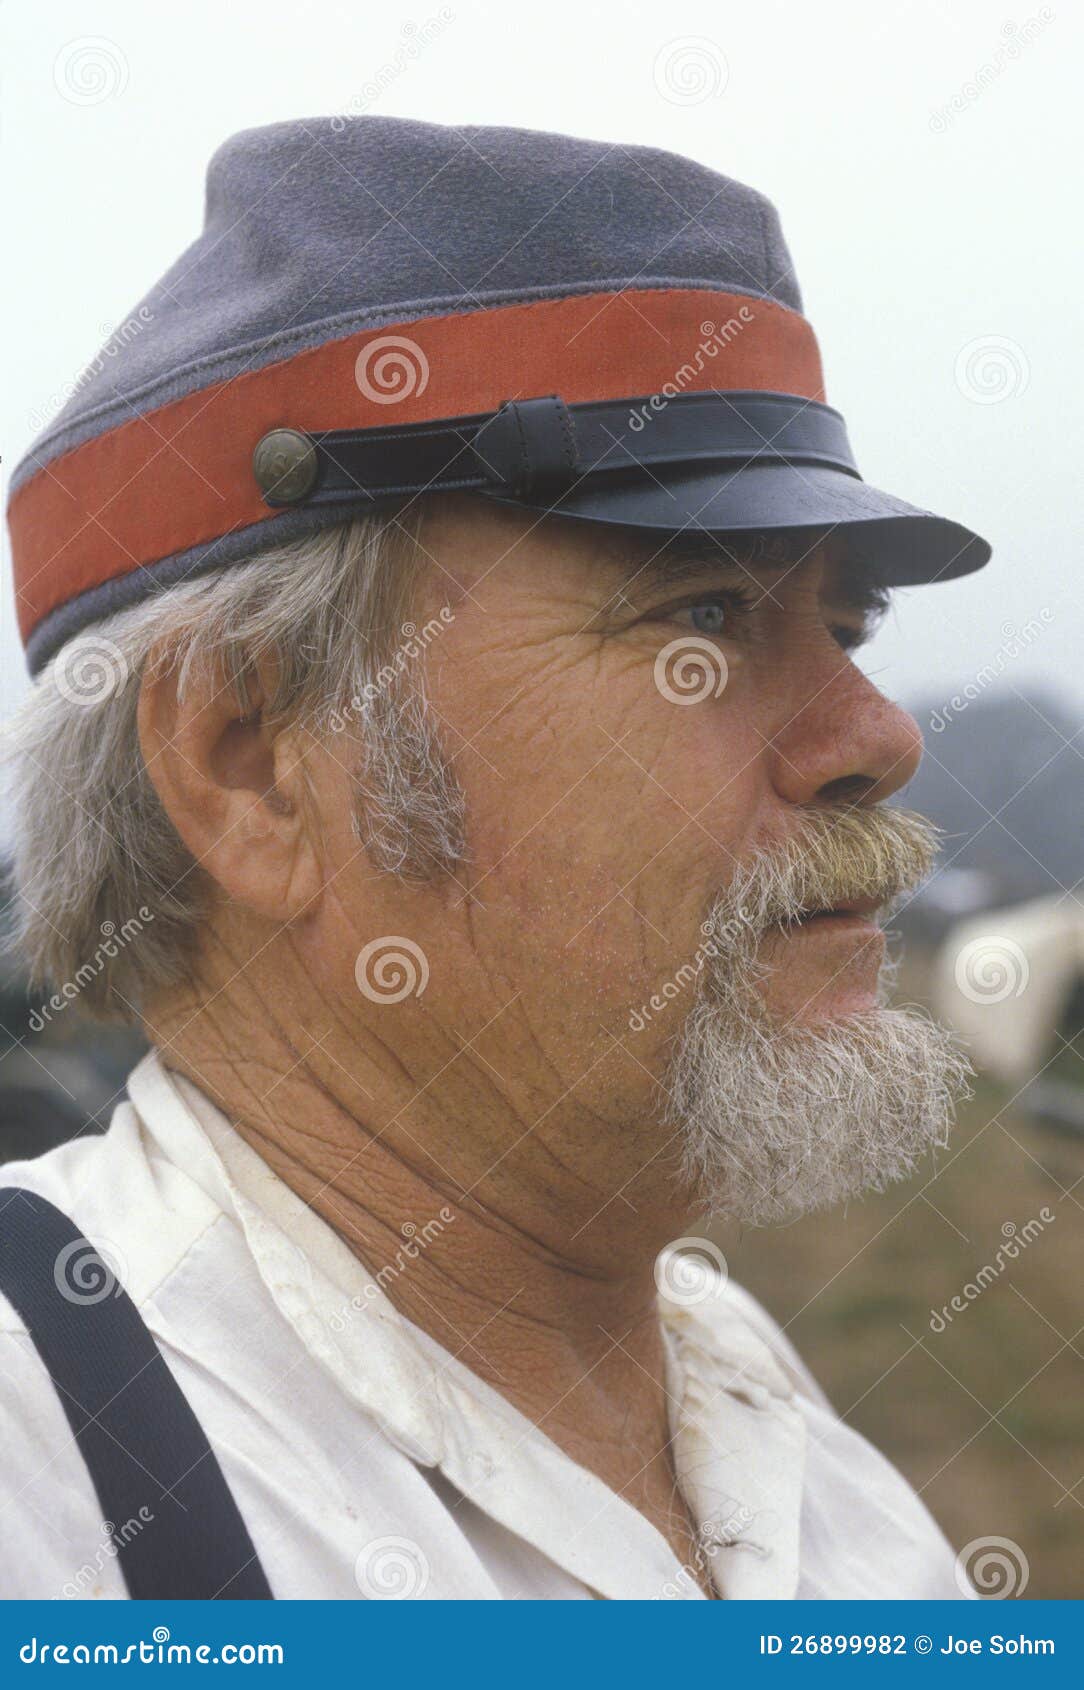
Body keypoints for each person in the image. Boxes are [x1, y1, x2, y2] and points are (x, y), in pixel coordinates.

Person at [0, 116, 989, 1600]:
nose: (876, 732)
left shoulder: (778, 1427)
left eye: (843, 630)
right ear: (248, 761)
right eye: (706, 618)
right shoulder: (49, 1471)